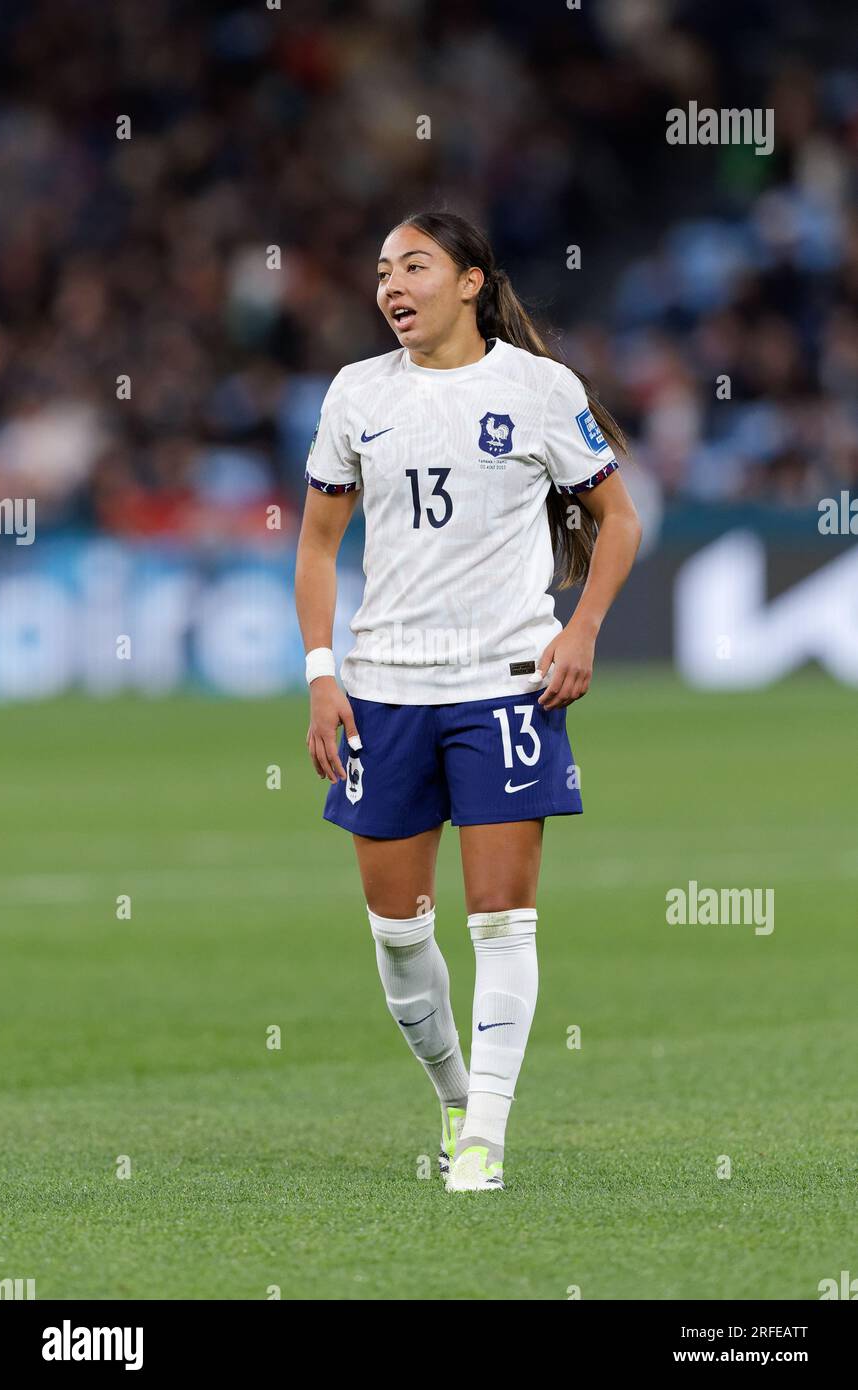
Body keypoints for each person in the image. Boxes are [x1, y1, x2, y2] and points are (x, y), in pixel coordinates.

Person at [294, 210, 642, 1191]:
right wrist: (321, 671)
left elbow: (616, 520)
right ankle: (453, 1097)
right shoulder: (356, 393)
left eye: (414, 266)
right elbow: (317, 545)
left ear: (469, 283)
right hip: (386, 690)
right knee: (399, 934)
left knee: (501, 921)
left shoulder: (537, 390)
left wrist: (578, 631)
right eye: (380, 271)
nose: (390, 286)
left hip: (504, 685)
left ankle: (483, 1135)